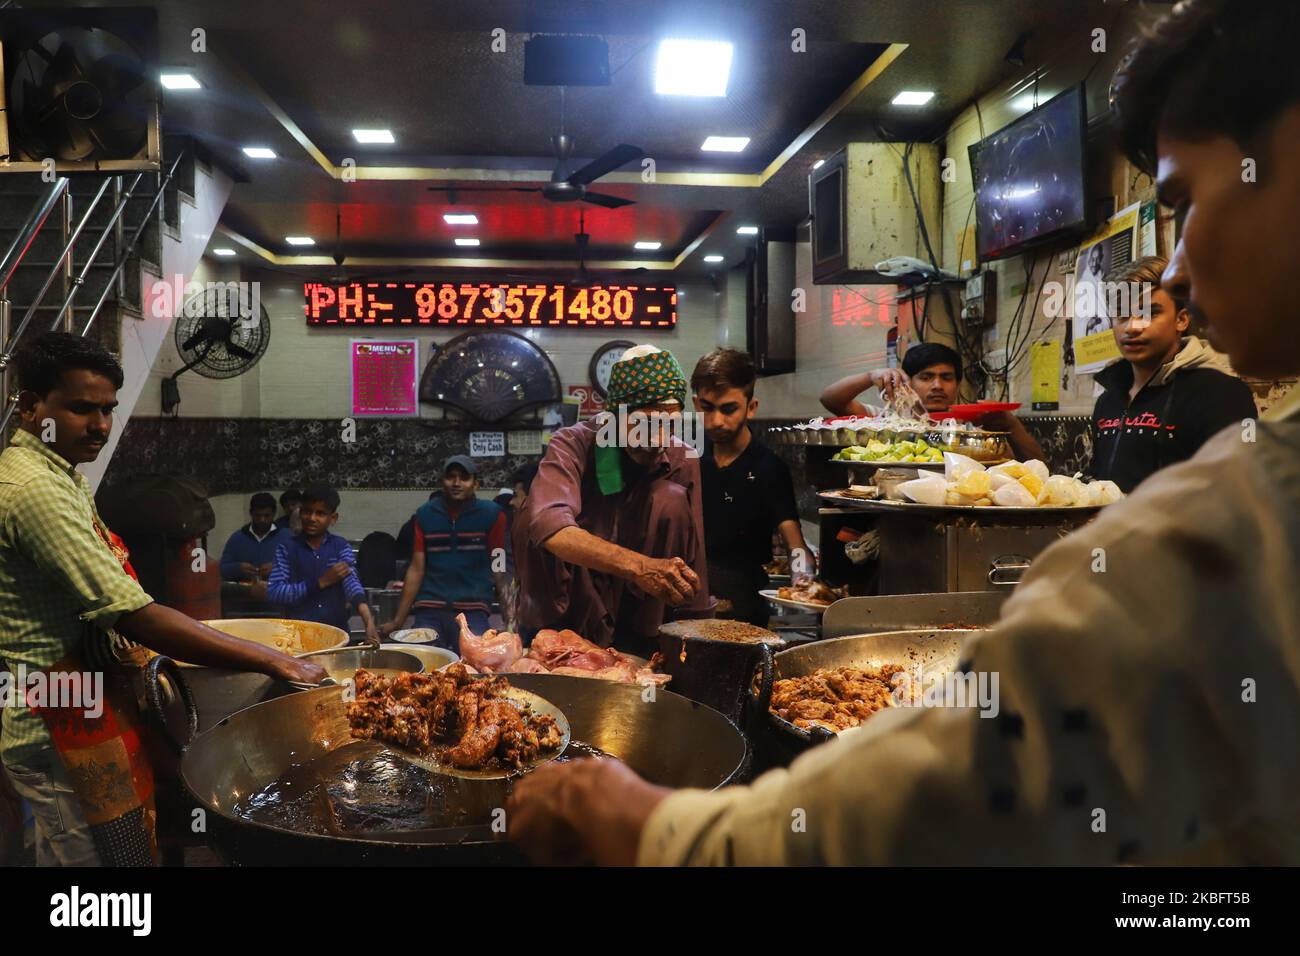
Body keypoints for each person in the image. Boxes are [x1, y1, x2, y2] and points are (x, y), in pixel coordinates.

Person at [505, 0, 1300, 865]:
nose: (1177, 265)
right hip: (570, 636)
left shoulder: (1246, 514)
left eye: (1184, 200)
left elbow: (958, 780)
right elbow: (552, 527)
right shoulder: (577, 453)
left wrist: (661, 828)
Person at [0, 332, 325, 866]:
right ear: (31, 405)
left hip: (79, 706)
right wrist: (277, 659)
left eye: (107, 409)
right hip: (55, 721)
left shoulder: (64, 478)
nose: (101, 426)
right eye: (82, 408)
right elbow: (133, 613)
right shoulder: (34, 490)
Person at [511, 344, 712, 656]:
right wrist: (640, 568)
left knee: (670, 500)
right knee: (530, 517)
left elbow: (694, 549)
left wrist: (700, 637)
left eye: (669, 423)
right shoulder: (574, 443)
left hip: (639, 608)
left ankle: (644, 642)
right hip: (571, 599)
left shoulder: (680, 456)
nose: (659, 438)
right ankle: (544, 637)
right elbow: (549, 525)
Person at [1091, 255, 1258, 492]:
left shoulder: (1224, 393)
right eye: (1122, 315)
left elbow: (1240, 489)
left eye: (1149, 313)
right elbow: (1096, 480)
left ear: (1181, 320)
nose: (1131, 327)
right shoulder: (1108, 401)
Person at [691, 347, 813, 625]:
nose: (716, 421)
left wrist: (802, 577)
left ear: (751, 407)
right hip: (692, 599)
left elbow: (794, 542)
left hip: (746, 606)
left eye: (729, 409)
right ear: (697, 404)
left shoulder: (769, 468)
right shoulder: (687, 457)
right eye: (707, 408)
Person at [819, 342, 1045, 460]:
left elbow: (1039, 466)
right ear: (908, 382)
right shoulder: (885, 419)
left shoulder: (973, 427)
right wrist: (870, 376)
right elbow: (830, 400)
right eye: (926, 377)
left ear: (957, 383)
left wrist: (1012, 426)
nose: (937, 386)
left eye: (946, 378)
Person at [379, 456, 508, 650]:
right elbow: (416, 569)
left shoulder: (492, 515)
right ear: (442, 481)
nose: (456, 483)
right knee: (422, 662)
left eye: (464, 478)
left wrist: (510, 618)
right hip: (430, 610)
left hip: (473, 610)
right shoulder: (425, 514)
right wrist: (398, 621)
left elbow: (499, 567)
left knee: (478, 667)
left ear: (476, 483)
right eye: (451, 477)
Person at [267, 484, 380, 644]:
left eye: (320, 513)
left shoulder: (340, 547)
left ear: (333, 518)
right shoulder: (286, 548)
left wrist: (368, 621)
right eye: (307, 511)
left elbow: (352, 585)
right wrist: (320, 583)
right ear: (300, 513)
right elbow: (275, 592)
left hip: (337, 636)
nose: (312, 518)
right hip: (297, 638)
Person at [219, 492, 290, 583]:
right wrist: (238, 568)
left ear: (274, 514)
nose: (262, 520)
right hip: (245, 593)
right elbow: (222, 568)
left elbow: (300, 566)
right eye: (258, 515)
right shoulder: (237, 538)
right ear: (251, 513)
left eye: (266, 516)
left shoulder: (287, 537)